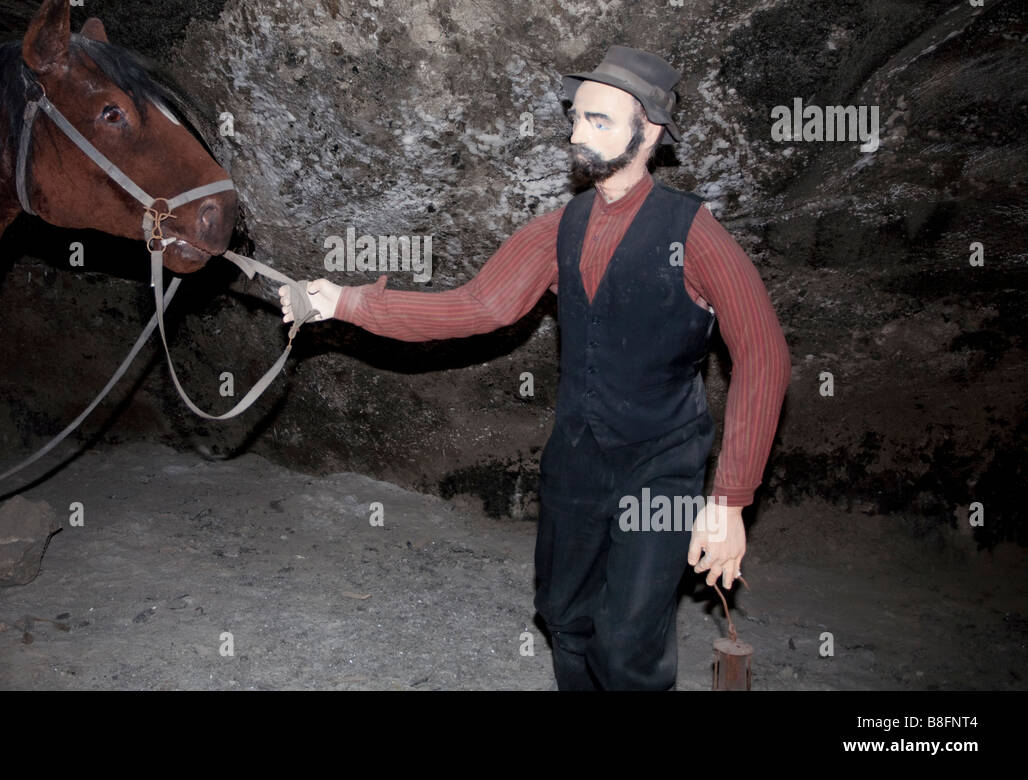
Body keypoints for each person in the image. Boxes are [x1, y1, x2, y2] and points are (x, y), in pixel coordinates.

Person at [279, 46, 791, 690]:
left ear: (650, 132)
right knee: (564, 616)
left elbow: (764, 353)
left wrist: (729, 500)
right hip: (576, 460)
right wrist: (346, 302)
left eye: (599, 121)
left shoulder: (693, 233)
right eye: (576, 118)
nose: (578, 133)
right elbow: (478, 305)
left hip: (661, 466)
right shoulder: (558, 228)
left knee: (629, 644)